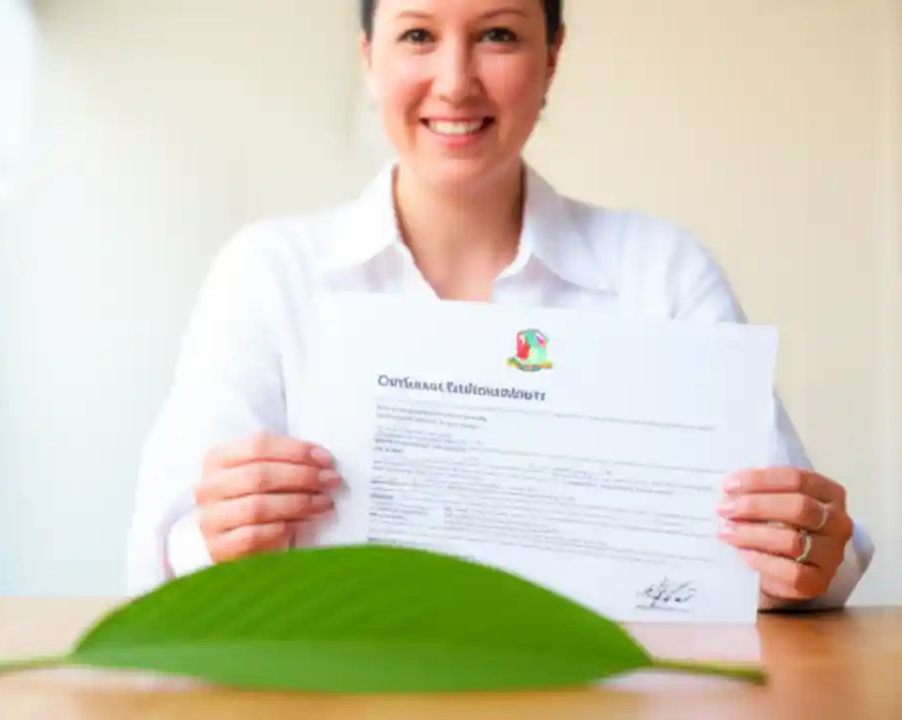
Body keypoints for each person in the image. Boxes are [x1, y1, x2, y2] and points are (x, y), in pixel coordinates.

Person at [126, 0, 875, 609]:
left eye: (498, 35)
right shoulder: (271, 272)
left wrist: (804, 559)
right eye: (418, 34)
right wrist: (216, 539)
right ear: (368, 59)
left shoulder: (662, 269)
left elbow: (812, 555)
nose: (455, 82)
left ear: (552, 57)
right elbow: (156, 555)